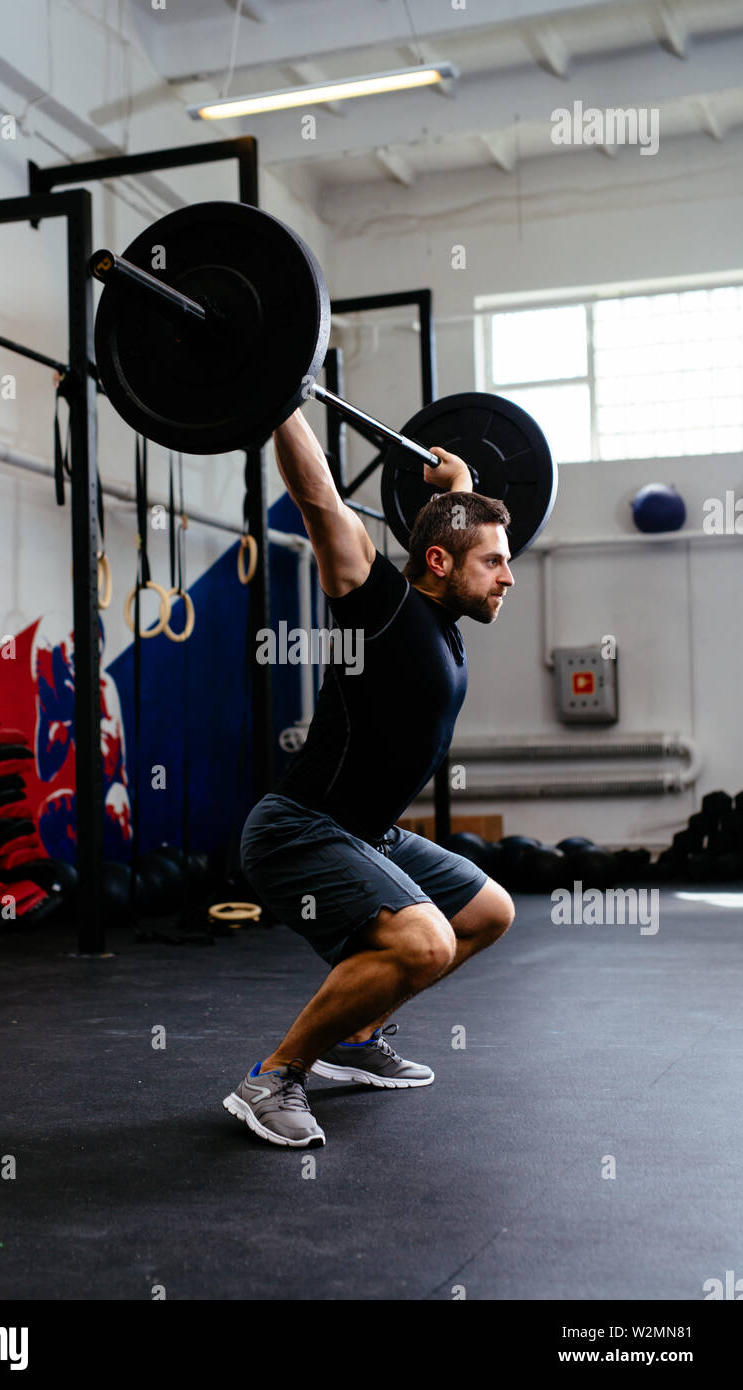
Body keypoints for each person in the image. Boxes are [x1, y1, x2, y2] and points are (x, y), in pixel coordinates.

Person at [223, 407, 516, 1147]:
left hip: (367, 834)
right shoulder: (376, 604)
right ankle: (276, 1076)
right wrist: (278, 391)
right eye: (495, 562)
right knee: (426, 944)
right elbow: (321, 496)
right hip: (300, 830)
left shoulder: (444, 619)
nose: (509, 576)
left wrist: (460, 488)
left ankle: (357, 1037)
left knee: (487, 913)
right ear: (443, 565)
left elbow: (447, 533)